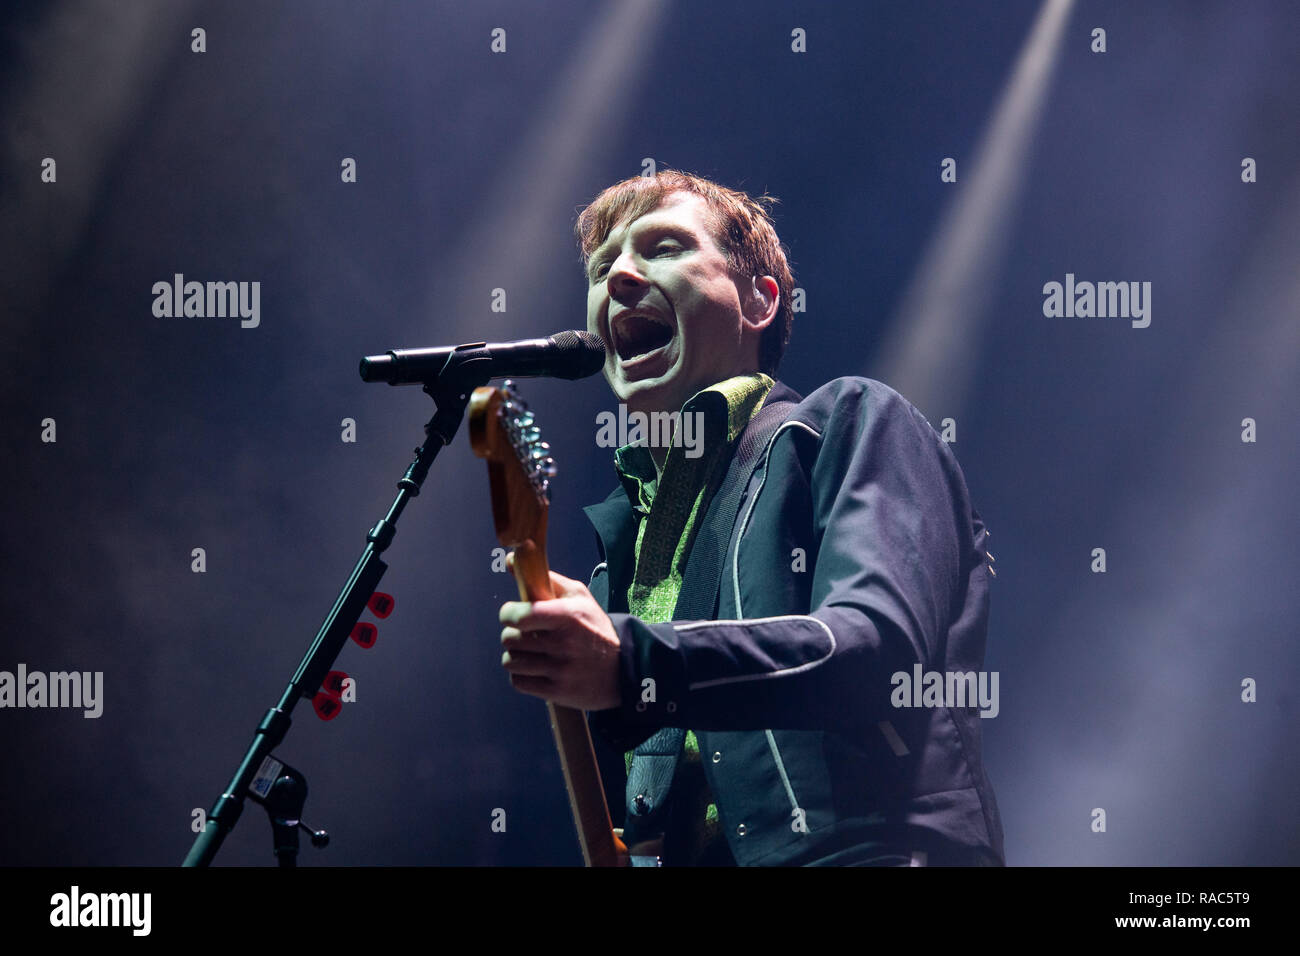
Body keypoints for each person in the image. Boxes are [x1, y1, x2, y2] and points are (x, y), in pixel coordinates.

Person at [497, 170, 1004, 866]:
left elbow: (875, 649)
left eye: (664, 247)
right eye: (600, 267)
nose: (618, 277)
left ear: (760, 299)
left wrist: (634, 660)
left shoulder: (848, 423)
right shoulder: (624, 543)